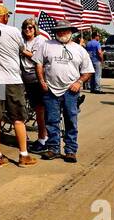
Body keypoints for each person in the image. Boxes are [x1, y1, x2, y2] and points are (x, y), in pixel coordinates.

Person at [0, 5, 37, 168]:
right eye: (7, 16)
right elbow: (21, 49)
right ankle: (23, 155)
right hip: (12, 80)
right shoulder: (14, 32)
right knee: (18, 118)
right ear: (4, 17)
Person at [36, 23, 93, 162]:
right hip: (50, 89)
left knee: (71, 120)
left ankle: (70, 150)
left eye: (65, 30)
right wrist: (42, 82)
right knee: (51, 120)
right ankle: (53, 148)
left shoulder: (79, 50)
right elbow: (38, 64)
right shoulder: (46, 45)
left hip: (70, 91)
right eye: (59, 31)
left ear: (71, 32)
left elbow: (88, 71)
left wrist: (79, 82)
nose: (62, 33)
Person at [19, 18, 48, 153]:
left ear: (35, 28)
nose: (27, 29)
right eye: (25, 27)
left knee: (40, 111)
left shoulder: (39, 40)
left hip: (37, 78)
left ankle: (43, 139)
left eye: (30, 27)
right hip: (25, 79)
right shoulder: (22, 41)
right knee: (32, 110)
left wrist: (22, 51)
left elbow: (36, 58)